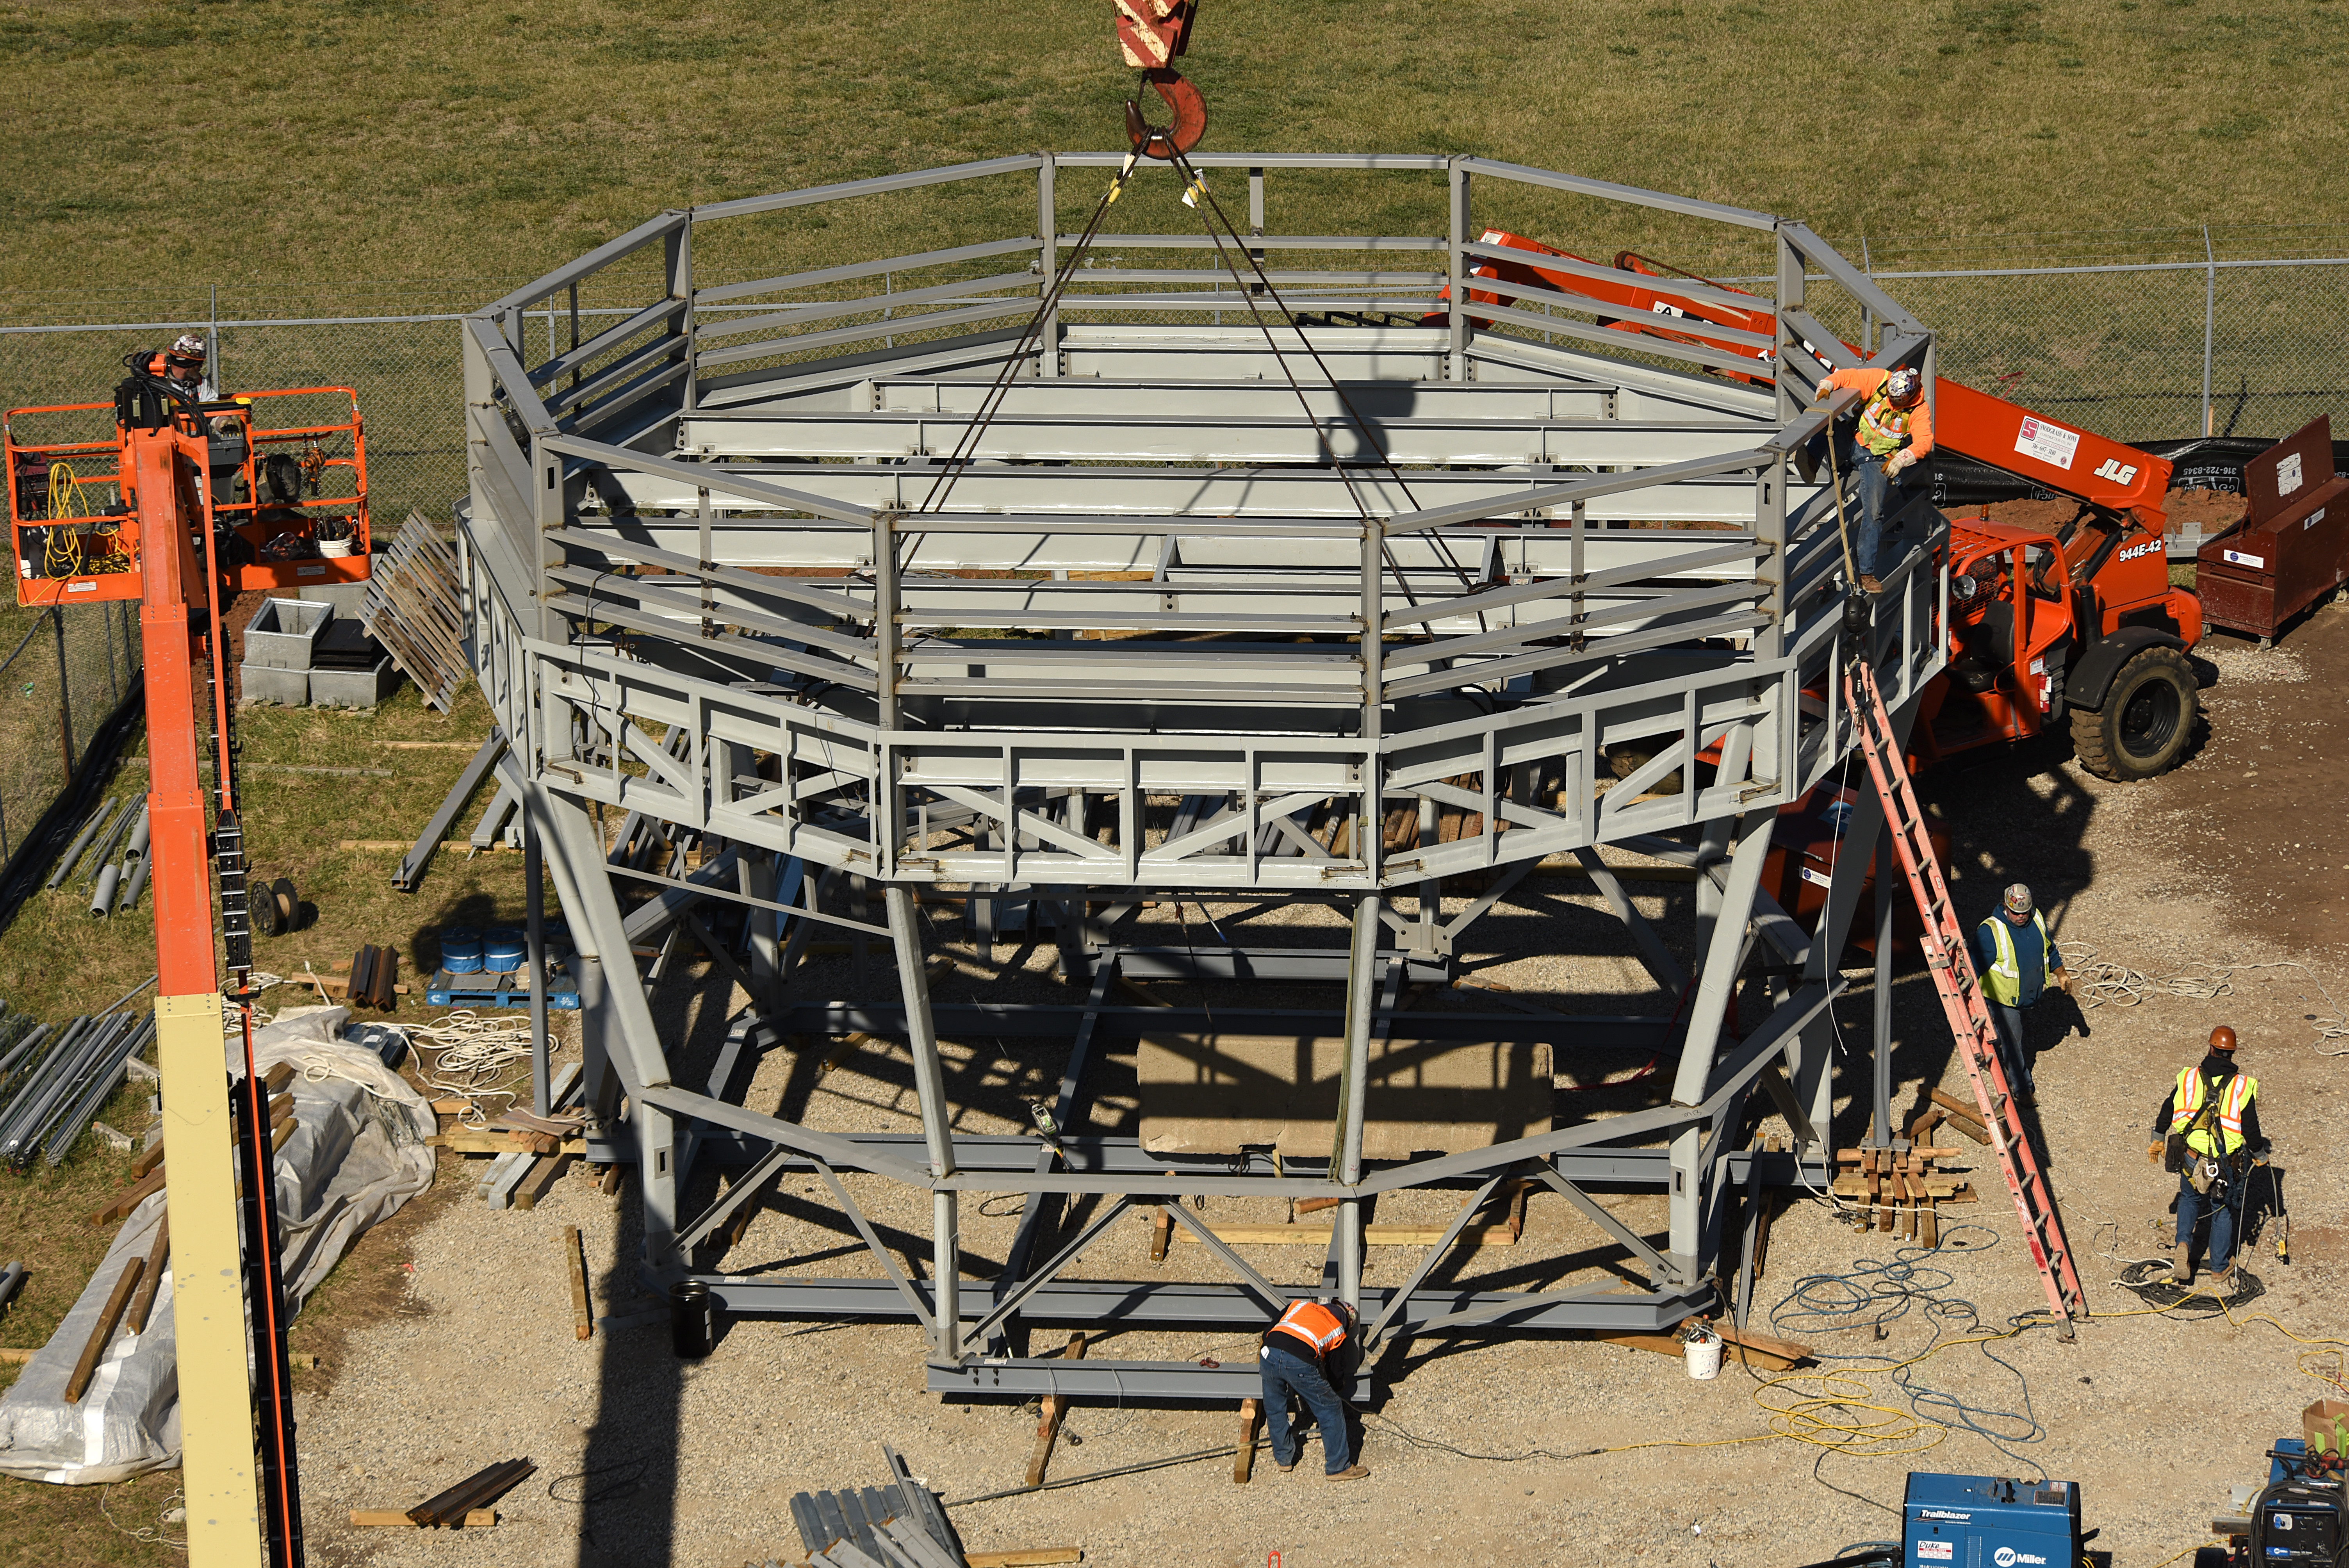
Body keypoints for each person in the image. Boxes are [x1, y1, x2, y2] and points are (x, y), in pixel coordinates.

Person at [2147, 1025, 2265, 1288]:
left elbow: (2168, 1107)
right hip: (2224, 1164)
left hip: (2191, 1156)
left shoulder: (2189, 1078)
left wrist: (2158, 1138)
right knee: (2221, 1210)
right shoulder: (2241, 1086)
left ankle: (2183, 1247)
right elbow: (2251, 1128)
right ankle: (2219, 1268)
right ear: (2232, 1054)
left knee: (2189, 1199)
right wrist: (2260, 1155)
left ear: (2211, 1048)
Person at [1799, 363, 1933, 594]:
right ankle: (1811, 461)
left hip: (1877, 461)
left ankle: (1867, 573)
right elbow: (1849, 376)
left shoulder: (1919, 410)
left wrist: (1901, 460)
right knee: (1824, 421)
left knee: (1873, 512)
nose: (1892, 402)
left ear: (1909, 397)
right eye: (1890, 397)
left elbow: (1924, 442)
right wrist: (1827, 386)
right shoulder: (1881, 379)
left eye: (1897, 401)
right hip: (1853, 440)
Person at [1969, 883, 2069, 1099]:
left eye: (2024, 912)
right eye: (2015, 913)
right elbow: (1971, 970)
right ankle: (2023, 1088)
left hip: (2025, 997)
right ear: (2006, 906)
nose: (2021, 917)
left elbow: (2049, 948)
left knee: (2010, 1036)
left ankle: (1994, 1045)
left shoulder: (2037, 919)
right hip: (2001, 999)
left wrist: (2061, 973)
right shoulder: (1991, 932)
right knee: (2013, 1038)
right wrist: (1969, 1006)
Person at [1257, 1297, 1369, 1481]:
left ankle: (1284, 1459)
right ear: (1347, 1323)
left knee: (1275, 1408)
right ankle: (1338, 1467)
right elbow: (1334, 1375)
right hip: (1300, 1359)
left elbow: (1268, 1331)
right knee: (1331, 1408)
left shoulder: (1299, 1305)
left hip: (1269, 1353)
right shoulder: (1337, 1329)